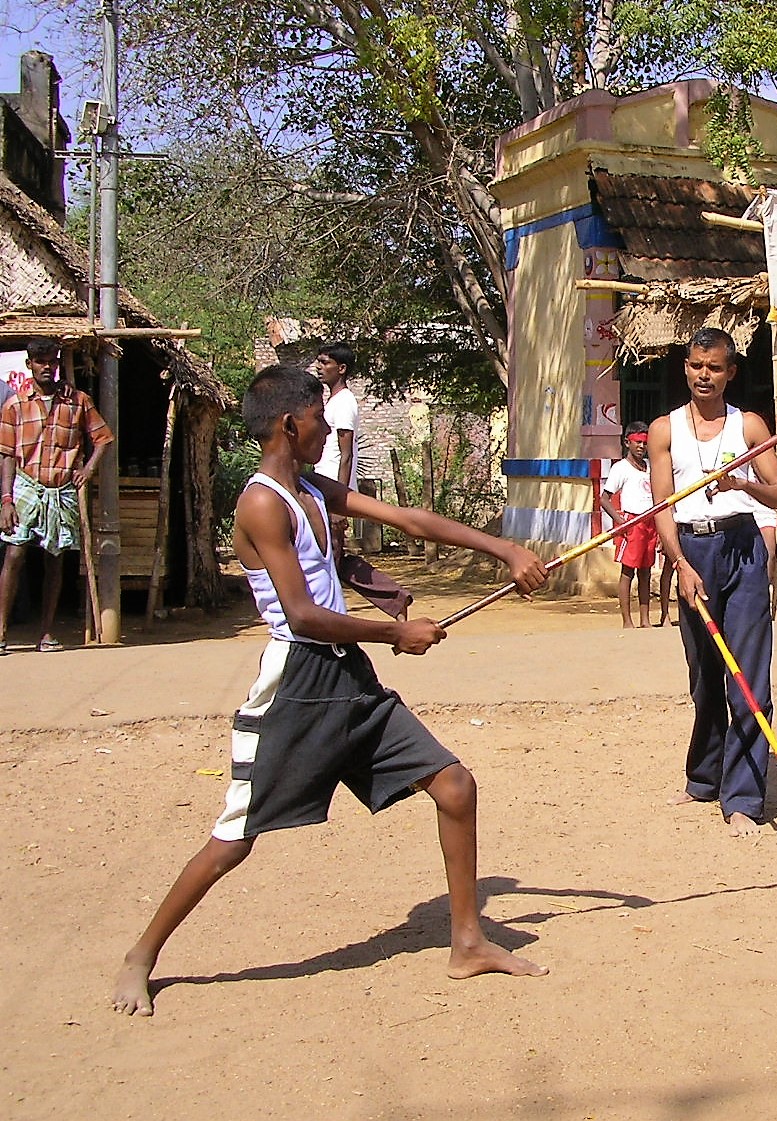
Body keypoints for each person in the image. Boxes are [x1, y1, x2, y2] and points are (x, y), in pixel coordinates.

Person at [111, 364, 551, 1017]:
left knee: (455, 786)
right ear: (291, 422)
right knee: (235, 838)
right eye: (321, 417)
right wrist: (393, 631)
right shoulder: (262, 501)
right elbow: (301, 615)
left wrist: (503, 550)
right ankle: (141, 957)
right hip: (298, 684)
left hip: (348, 675)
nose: (328, 427)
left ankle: (467, 941)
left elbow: (409, 519)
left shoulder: (311, 486)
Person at [649, 328, 777, 838]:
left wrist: (741, 483)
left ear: (731, 372)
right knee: (705, 676)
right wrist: (680, 564)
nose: (703, 375)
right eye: (695, 366)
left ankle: (744, 798)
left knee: (748, 677)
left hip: (744, 550)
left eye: (714, 367)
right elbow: (662, 504)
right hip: (692, 552)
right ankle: (704, 778)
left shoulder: (748, 426)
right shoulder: (664, 430)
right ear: (685, 367)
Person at [0, 338, 113, 654]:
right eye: (41, 362)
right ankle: (1, 631)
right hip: (26, 486)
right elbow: (7, 454)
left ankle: (46, 634)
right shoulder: (15, 406)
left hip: (61, 488)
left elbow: (103, 439)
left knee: (55, 559)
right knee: (14, 555)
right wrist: (6, 500)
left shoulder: (78, 402)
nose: (47, 367)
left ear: (59, 363)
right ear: (29, 365)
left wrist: (86, 471)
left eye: (52, 361)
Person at [310, 343, 413, 619]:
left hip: (333, 490)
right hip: (324, 487)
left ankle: (385, 601)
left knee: (330, 557)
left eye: (325, 362)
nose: (319, 367)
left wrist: (338, 502)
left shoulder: (344, 404)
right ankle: (394, 599)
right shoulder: (331, 401)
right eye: (318, 362)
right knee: (332, 557)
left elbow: (346, 455)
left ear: (341, 369)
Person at [601, 422, 658, 628]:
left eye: (645, 443)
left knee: (646, 571)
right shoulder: (620, 468)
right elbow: (604, 499)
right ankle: (627, 620)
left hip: (651, 521)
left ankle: (645, 619)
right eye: (637, 442)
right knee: (628, 571)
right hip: (631, 523)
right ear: (627, 443)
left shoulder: (651, 466)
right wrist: (620, 521)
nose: (641, 447)